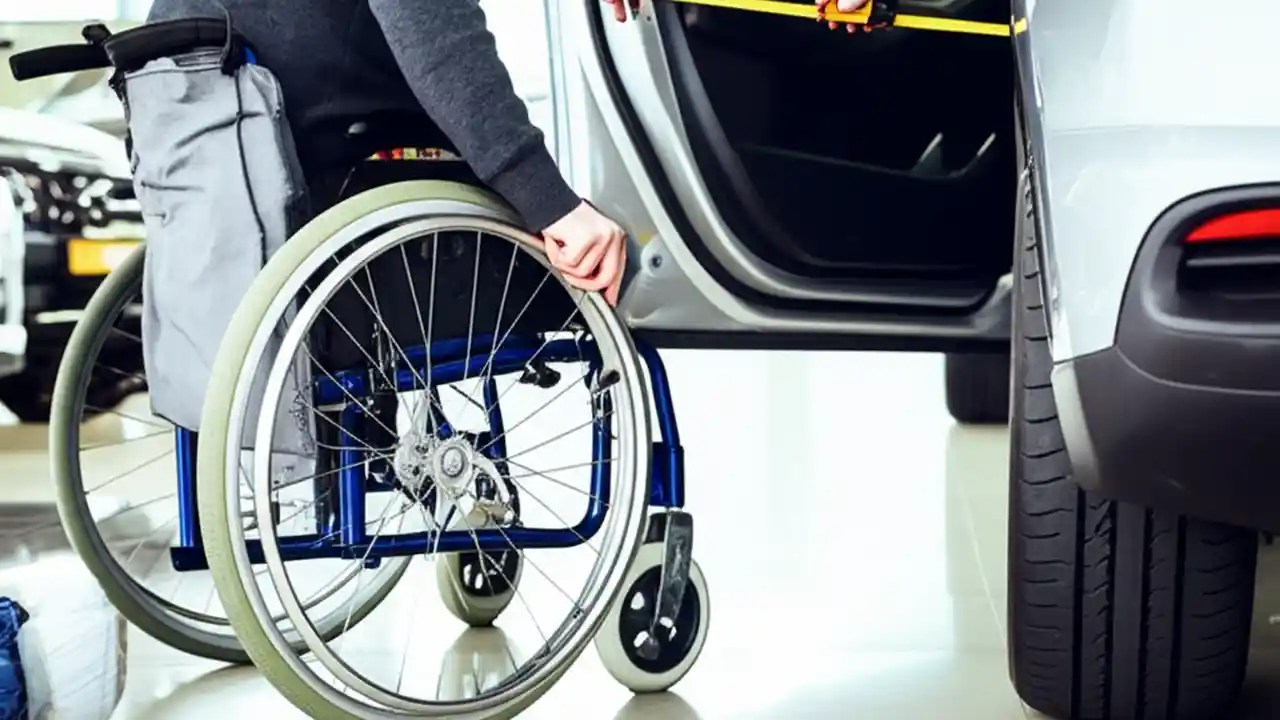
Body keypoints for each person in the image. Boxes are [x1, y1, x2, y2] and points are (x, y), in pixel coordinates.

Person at [146, 0, 630, 305]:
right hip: (330, 179)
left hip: (221, 178)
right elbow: (443, 47)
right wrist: (551, 203)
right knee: (602, 269)